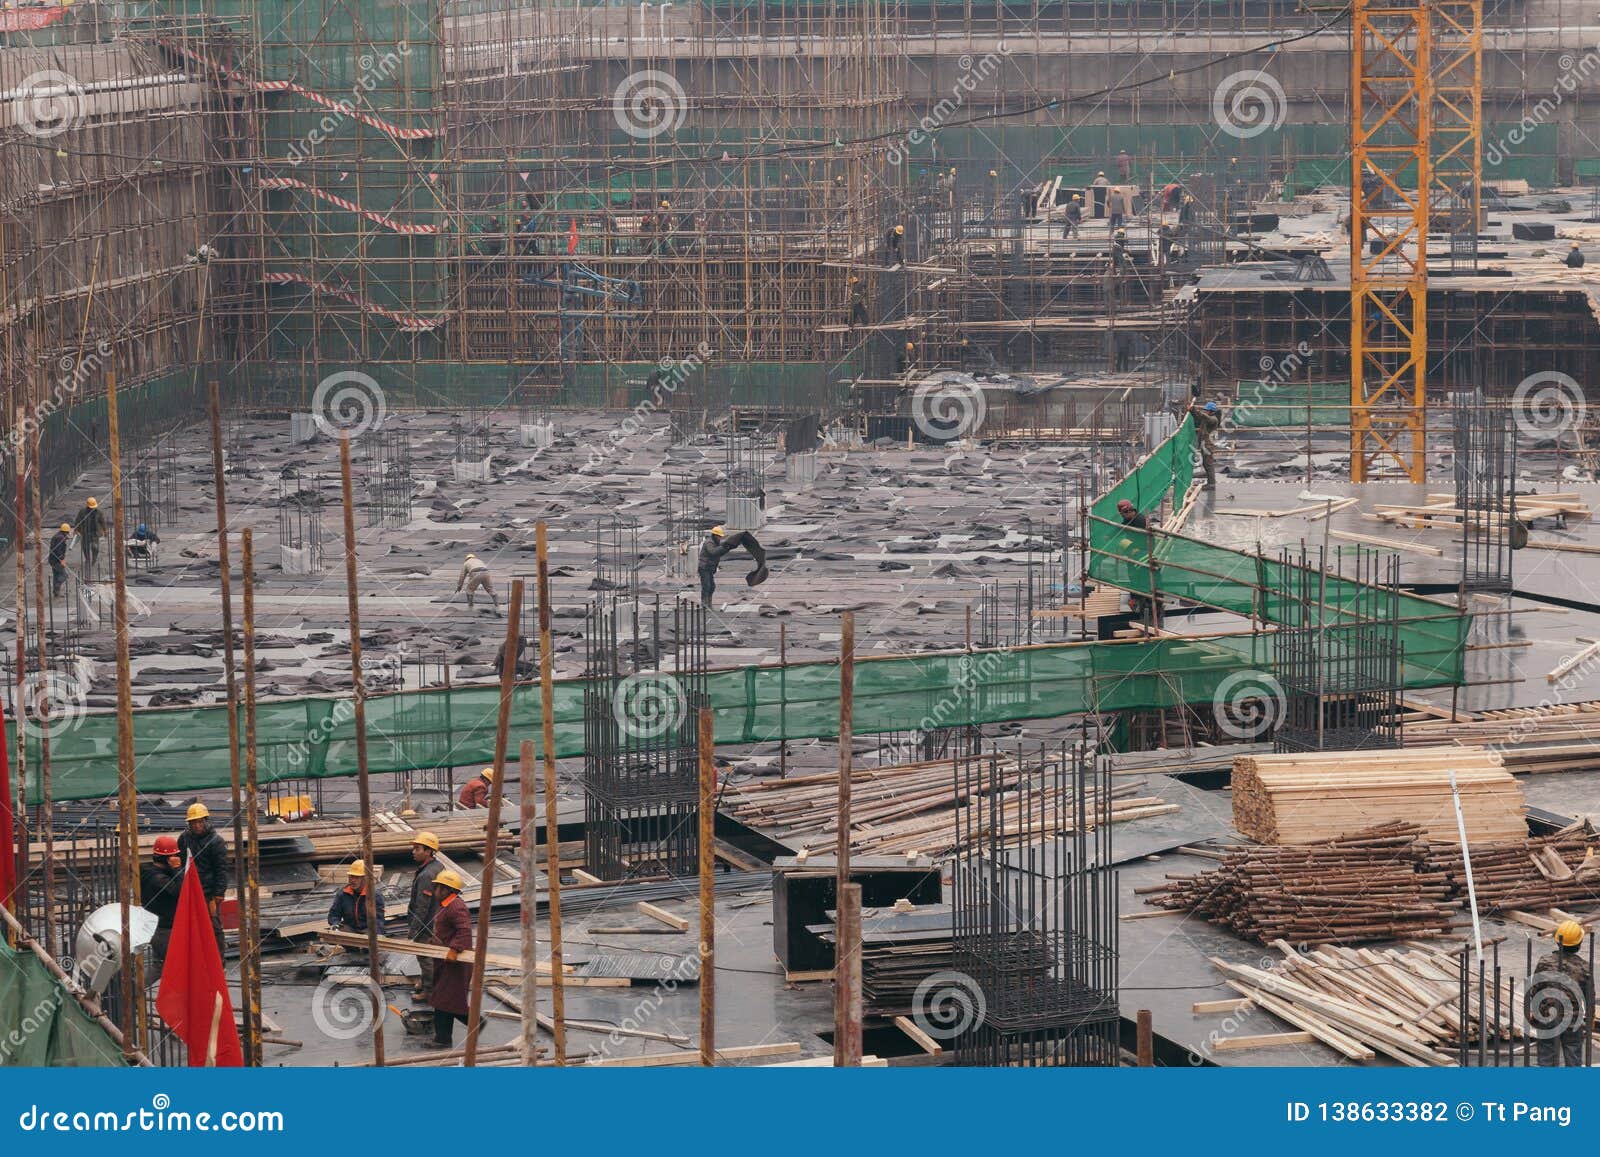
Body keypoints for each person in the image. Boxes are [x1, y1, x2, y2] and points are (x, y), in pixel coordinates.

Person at [427, 869, 481, 1048]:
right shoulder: (445, 905)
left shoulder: (456, 906)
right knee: (444, 999)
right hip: (446, 961)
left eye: (437, 887)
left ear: (446, 889)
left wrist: (455, 948)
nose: (434, 890)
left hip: (456, 963)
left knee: (445, 1000)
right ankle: (443, 1038)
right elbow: (446, 930)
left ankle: (473, 1024)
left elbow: (464, 930)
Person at [1528, 920, 1593, 1067]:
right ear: (1579, 943)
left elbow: (1535, 988)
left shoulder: (1544, 961)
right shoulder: (1584, 967)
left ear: (1557, 941)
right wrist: (1590, 1016)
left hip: (1547, 1016)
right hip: (1572, 1019)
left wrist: (1533, 1011)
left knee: (1546, 1058)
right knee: (1573, 1058)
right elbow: (1589, 997)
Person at [177, 802, 229, 956]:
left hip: (209, 894)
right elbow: (181, 864)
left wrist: (218, 896)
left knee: (213, 927)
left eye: (200, 821)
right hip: (190, 891)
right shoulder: (184, 839)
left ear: (206, 821)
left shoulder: (216, 841)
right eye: (194, 822)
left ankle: (219, 962)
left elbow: (221, 870)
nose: (197, 825)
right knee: (191, 927)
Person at [407, 832, 446, 1000]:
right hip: (436, 920)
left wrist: (414, 930)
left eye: (417, 849)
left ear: (429, 851)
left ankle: (429, 992)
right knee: (431, 957)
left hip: (427, 924)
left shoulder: (426, 875)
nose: (413, 852)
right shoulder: (438, 866)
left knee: (425, 957)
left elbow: (422, 907)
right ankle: (427, 982)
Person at [140, 834, 184, 973]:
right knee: (176, 968)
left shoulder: (151, 872)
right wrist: (177, 869)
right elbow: (181, 891)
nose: (177, 859)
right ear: (167, 858)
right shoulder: (158, 878)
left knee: (159, 967)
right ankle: (133, 992)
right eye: (174, 856)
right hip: (163, 930)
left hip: (157, 927)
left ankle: (134, 992)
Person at [697, 525, 768, 606]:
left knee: (711, 587)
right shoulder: (709, 542)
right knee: (707, 586)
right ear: (715, 535)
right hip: (704, 568)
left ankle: (708, 604)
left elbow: (719, 552)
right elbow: (713, 552)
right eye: (719, 536)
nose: (720, 538)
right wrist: (725, 546)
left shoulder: (715, 542)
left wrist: (728, 547)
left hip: (709, 567)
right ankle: (704, 605)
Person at [328, 860, 386, 935]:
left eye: (357, 877)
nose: (352, 880)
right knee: (336, 932)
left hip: (368, 930)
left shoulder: (375, 896)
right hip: (350, 929)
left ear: (365, 878)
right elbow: (334, 914)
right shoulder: (342, 894)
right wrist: (335, 924)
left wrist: (374, 934)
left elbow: (378, 920)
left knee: (373, 936)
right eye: (351, 876)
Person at [1190, 399, 1222, 485]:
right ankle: (1210, 483)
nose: (1205, 411)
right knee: (1206, 464)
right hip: (1205, 445)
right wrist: (1193, 412)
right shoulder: (1207, 419)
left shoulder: (1213, 419)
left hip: (1208, 445)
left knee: (1208, 464)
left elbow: (1205, 417)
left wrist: (1195, 409)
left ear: (1210, 411)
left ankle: (1211, 484)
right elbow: (1199, 417)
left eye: (1206, 410)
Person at [73, 496, 103, 573]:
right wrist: (76, 529)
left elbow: (102, 521)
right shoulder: (82, 512)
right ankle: (87, 559)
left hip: (95, 533)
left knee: (95, 547)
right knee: (85, 547)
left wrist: (105, 531)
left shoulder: (99, 512)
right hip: (85, 532)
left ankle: (94, 559)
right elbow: (78, 521)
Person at [48, 522, 71, 597]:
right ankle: (57, 588)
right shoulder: (60, 538)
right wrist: (62, 559)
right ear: (66, 531)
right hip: (56, 560)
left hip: (52, 560)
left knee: (56, 575)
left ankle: (56, 592)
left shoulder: (58, 536)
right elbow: (58, 550)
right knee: (64, 575)